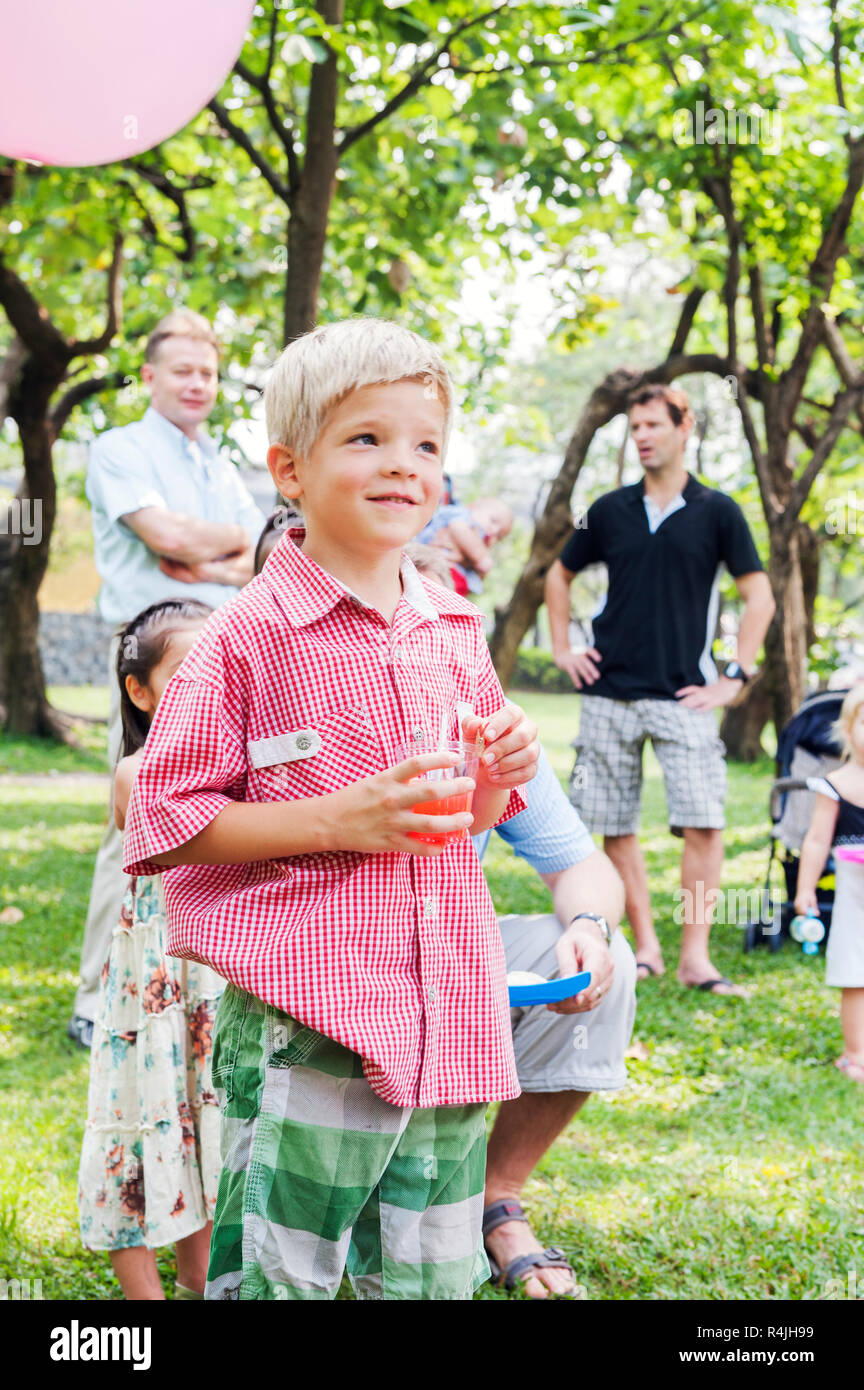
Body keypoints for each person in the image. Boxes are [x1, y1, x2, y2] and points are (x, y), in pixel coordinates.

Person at [121, 318, 542, 1302]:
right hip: (314, 1016)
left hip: (448, 1008)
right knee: (286, 1268)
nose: (405, 464)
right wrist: (332, 819)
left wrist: (496, 772)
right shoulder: (244, 640)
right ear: (291, 470)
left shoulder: (451, 623)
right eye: (367, 438)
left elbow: (469, 819)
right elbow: (168, 817)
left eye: (426, 444)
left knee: (432, 1270)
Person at [405, 540, 633, 1298]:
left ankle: (495, 1196)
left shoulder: (482, 731)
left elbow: (582, 866)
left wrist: (590, 932)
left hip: (446, 950)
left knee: (606, 959)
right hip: (320, 964)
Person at [68, 310, 266, 1047]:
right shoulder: (118, 448)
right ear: (149, 377)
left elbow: (257, 550)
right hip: (156, 650)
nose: (198, 384)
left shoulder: (218, 461)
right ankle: (96, 999)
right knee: (138, 812)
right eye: (183, 370)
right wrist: (196, 548)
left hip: (225, 646)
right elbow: (171, 540)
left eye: (208, 373)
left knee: (218, 816)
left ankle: (201, 990)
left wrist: (203, 558)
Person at [546, 383, 776, 996]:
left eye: (653, 424)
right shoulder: (610, 508)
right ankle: (644, 945)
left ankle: (695, 958)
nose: (642, 435)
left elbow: (760, 596)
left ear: (684, 427)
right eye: (635, 426)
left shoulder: (718, 510)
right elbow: (558, 574)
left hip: (685, 696)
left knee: (704, 825)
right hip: (608, 693)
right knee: (614, 825)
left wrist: (736, 677)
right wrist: (565, 648)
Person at [78, 597, 224, 1300]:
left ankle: (199, 1281)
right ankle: (144, 1302)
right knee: (140, 1125)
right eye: (187, 672)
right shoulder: (138, 772)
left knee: (204, 1128)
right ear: (139, 691)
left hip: (212, 983)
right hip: (155, 987)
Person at [795, 684, 864, 1082]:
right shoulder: (834, 783)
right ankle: (854, 1054)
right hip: (854, 895)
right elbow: (818, 840)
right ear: (848, 729)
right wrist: (805, 890)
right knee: (855, 975)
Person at [418, 497, 513, 596]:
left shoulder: (478, 540)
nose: (494, 531)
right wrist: (482, 558)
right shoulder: (463, 518)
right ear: (473, 507)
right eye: (493, 521)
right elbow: (458, 529)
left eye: (499, 536)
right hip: (433, 567)